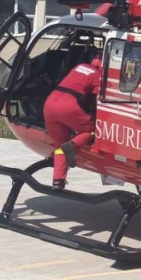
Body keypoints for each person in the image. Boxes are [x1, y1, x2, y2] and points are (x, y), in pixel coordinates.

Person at [43, 56, 101, 189]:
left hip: (50, 102)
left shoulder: (78, 67)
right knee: (94, 130)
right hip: (68, 105)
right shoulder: (98, 75)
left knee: (59, 146)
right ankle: (72, 145)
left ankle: (58, 181)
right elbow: (99, 100)